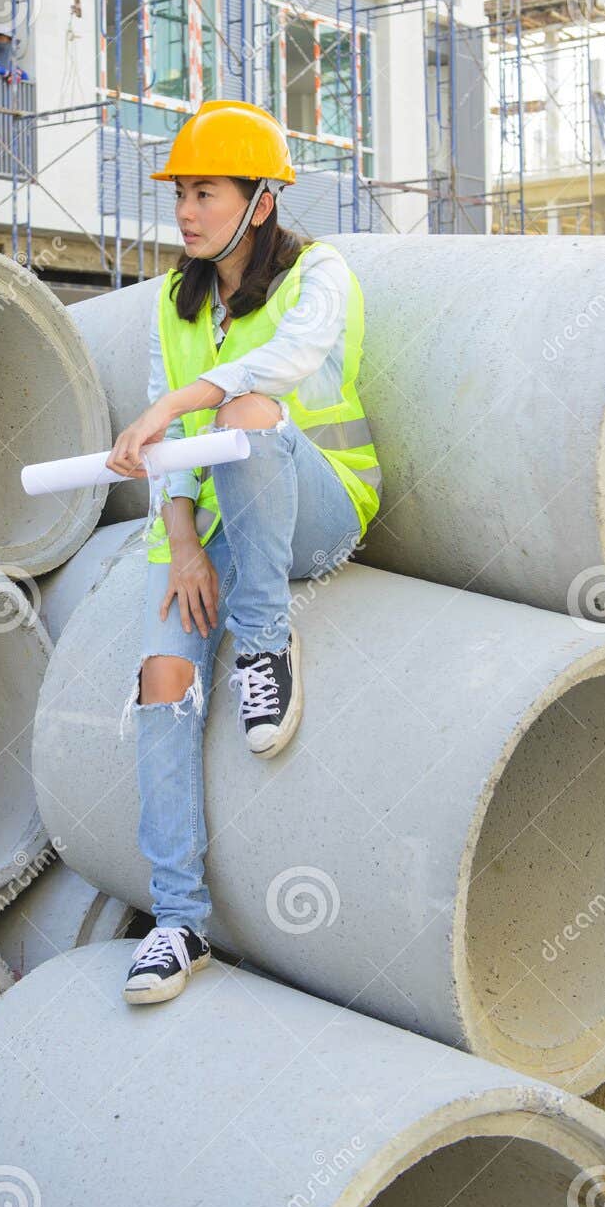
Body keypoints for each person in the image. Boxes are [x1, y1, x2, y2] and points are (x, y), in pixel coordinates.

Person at [104, 99, 382, 1006]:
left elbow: (287, 366)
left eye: (205, 193)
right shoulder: (173, 303)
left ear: (259, 203)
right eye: (180, 193)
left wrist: (179, 404)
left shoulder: (320, 273)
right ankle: (179, 923)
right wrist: (180, 539)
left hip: (314, 503)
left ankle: (265, 643)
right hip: (212, 525)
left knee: (248, 417)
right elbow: (171, 458)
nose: (185, 212)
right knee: (162, 681)